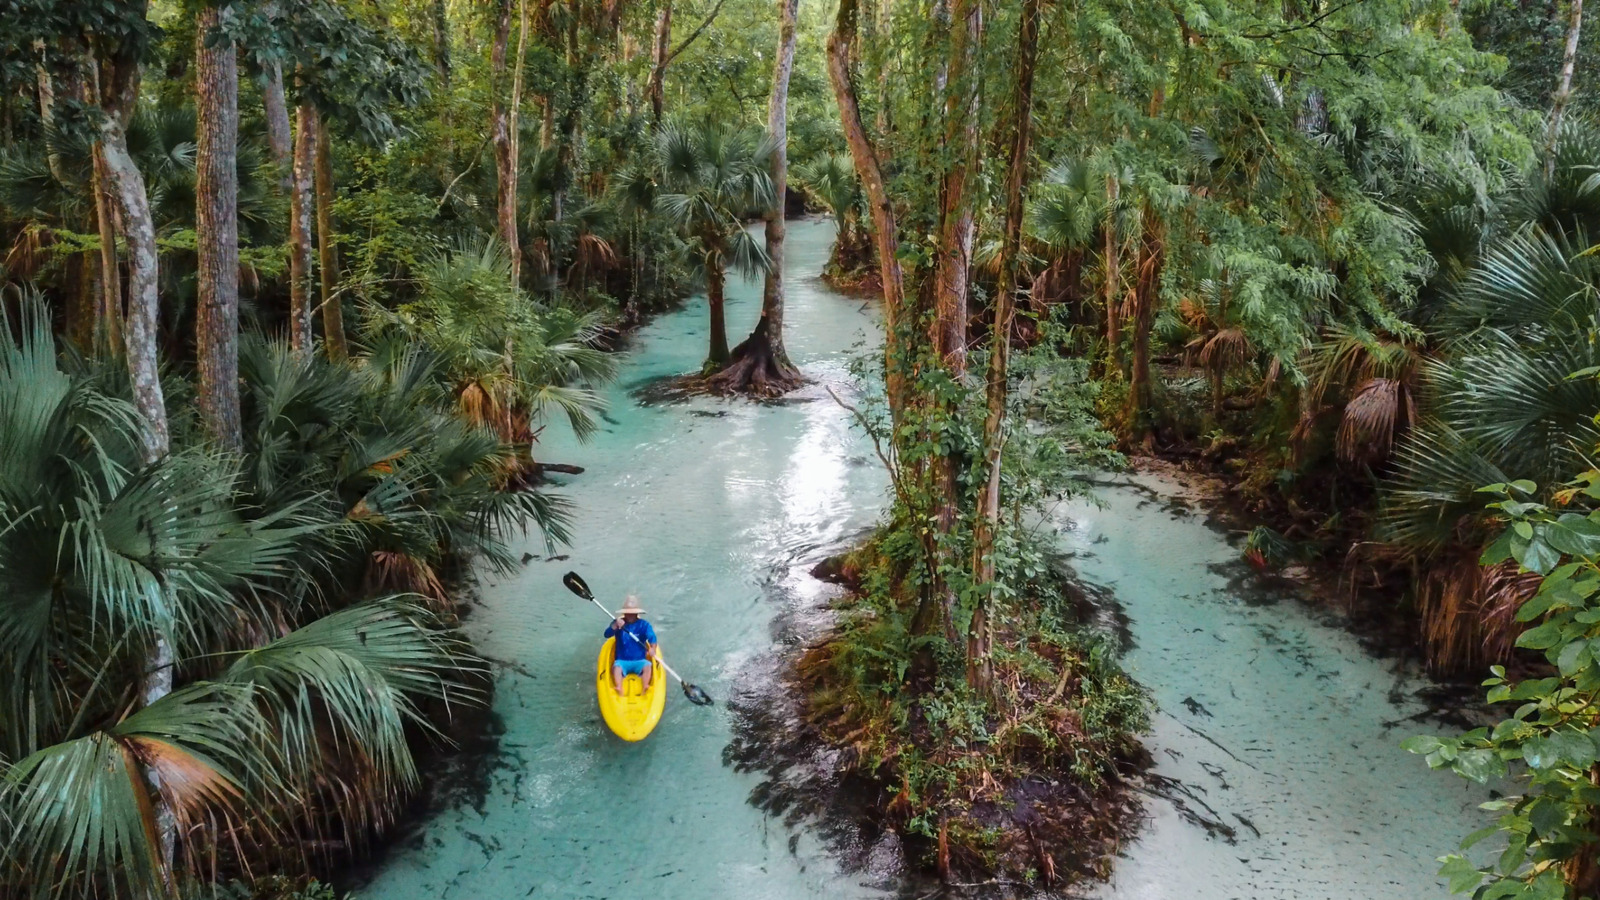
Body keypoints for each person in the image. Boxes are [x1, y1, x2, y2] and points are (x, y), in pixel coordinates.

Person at [604, 598, 658, 696]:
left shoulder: (644, 625)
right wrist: (615, 625)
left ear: (637, 613)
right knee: (617, 668)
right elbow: (607, 634)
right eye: (627, 613)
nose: (629, 615)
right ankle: (619, 686)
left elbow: (652, 638)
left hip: (640, 660)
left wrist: (653, 648)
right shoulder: (618, 623)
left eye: (632, 613)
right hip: (622, 661)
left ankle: (645, 685)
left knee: (647, 666)